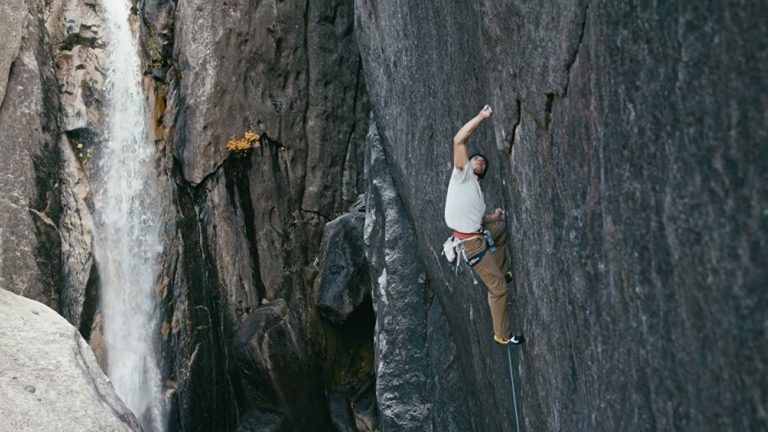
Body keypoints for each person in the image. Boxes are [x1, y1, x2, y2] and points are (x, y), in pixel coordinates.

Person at [444, 104, 525, 345]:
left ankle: (501, 272)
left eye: (483, 161)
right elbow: (459, 140)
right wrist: (481, 116)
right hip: (470, 245)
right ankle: (502, 335)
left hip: (476, 233)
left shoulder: (476, 193)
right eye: (475, 158)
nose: (479, 159)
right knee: (498, 289)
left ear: (483, 172)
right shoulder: (462, 175)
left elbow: (477, 219)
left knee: (499, 232)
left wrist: (494, 218)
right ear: (468, 163)